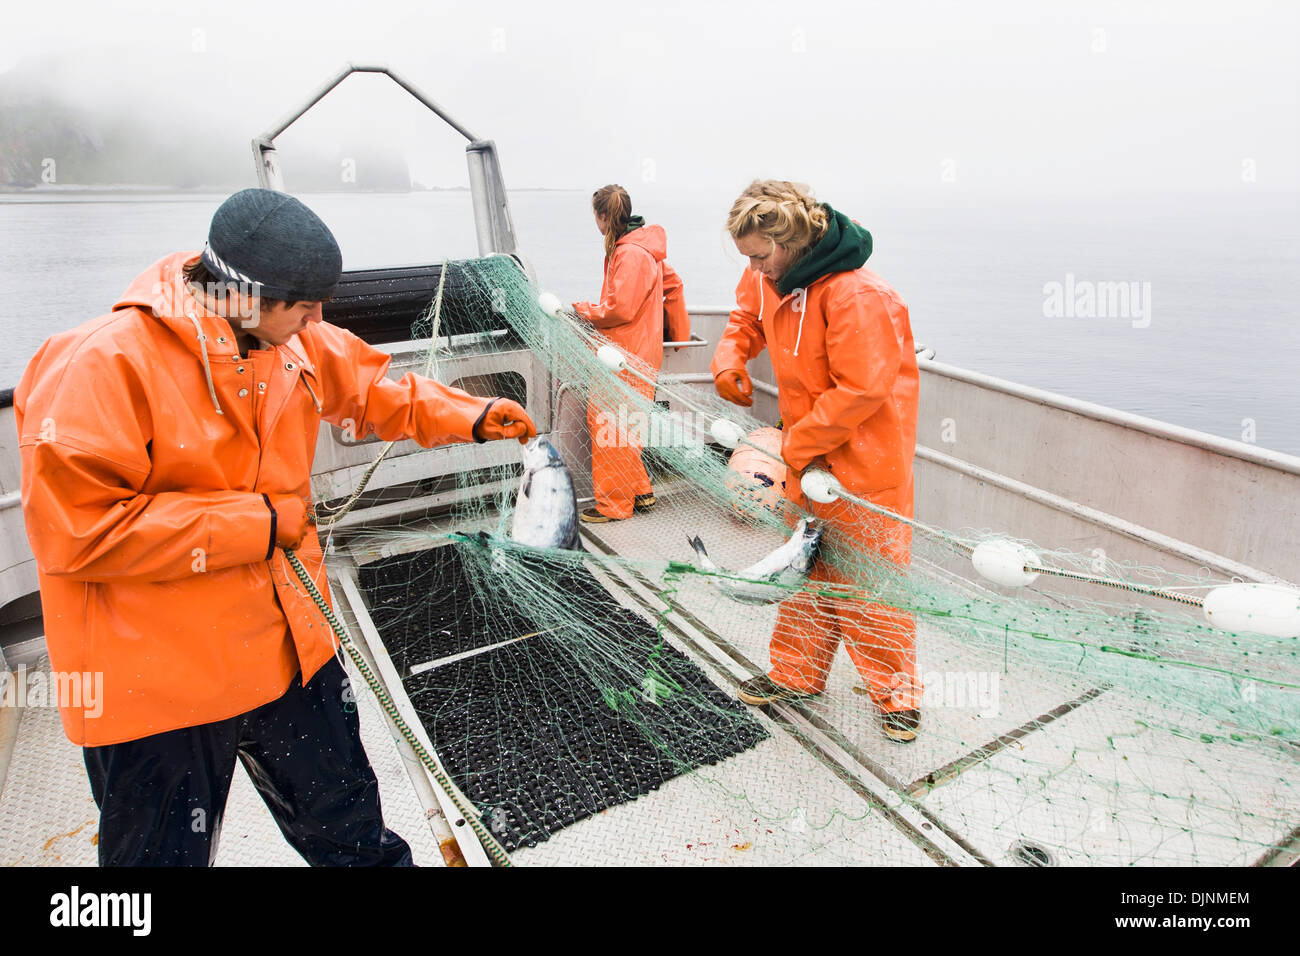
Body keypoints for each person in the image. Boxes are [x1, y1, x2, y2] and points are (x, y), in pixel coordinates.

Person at [14, 188, 537, 865]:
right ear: (242, 296)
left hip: (289, 652)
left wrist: (470, 415)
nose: (319, 319)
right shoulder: (101, 364)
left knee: (354, 838)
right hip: (161, 686)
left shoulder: (295, 339)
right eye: (304, 305)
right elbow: (76, 533)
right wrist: (258, 523)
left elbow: (376, 392)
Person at [710, 179, 922, 743]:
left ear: (791, 244)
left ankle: (897, 694)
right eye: (747, 259)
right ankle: (796, 673)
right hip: (806, 459)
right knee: (803, 567)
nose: (754, 269)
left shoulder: (859, 296)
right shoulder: (768, 276)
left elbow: (861, 389)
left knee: (869, 584)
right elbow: (746, 317)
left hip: (865, 468)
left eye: (759, 257)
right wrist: (729, 359)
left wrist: (794, 447)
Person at [572, 184, 689, 522]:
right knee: (626, 425)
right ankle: (640, 491)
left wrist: (584, 310)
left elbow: (620, 309)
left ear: (602, 216)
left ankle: (613, 505)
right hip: (640, 352)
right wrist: (677, 335)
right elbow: (673, 285)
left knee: (611, 428)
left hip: (623, 356)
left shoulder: (629, 253)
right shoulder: (643, 246)